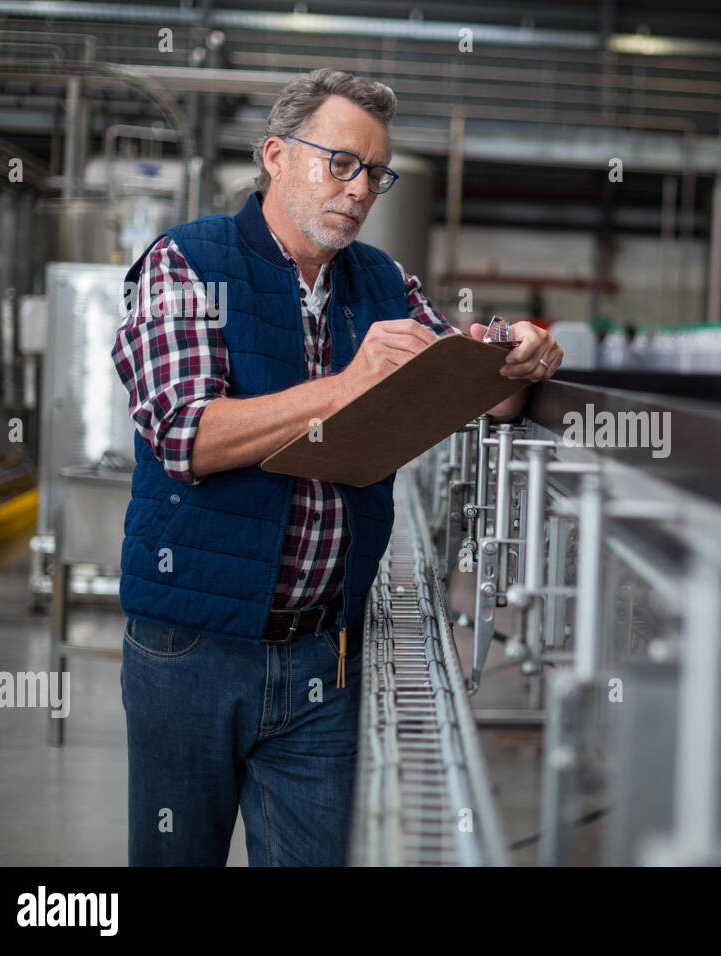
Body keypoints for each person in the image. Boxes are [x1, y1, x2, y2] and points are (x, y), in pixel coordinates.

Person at [110, 68, 562, 866]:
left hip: (325, 654)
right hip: (191, 652)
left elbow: (475, 393)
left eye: (376, 174)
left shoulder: (381, 284)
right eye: (339, 163)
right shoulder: (186, 264)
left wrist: (518, 357)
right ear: (277, 156)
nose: (359, 190)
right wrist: (349, 386)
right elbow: (186, 436)